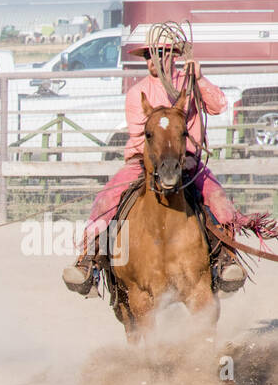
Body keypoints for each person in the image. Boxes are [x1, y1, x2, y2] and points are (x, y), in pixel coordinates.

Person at [62, 38, 248, 296]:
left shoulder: (190, 84)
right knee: (106, 199)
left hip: (189, 161)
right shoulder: (137, 93)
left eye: (162, 53)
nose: (155, 60)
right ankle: (89, 261)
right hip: (144, 163)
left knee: (217, 198)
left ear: (174, 56)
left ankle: (226, 259)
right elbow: (142, 139)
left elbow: (218, 106)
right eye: (150, 55)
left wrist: (201, 79)